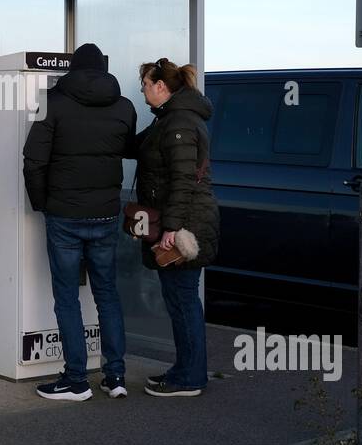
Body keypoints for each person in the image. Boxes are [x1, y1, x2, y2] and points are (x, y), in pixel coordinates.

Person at [23, 43, 137, 401]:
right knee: (107, 295)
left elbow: (33, 161)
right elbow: (126, 149)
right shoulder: (125, 106)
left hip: (65, 215)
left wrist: (42, 203)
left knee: (68, 298)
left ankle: (76, 380)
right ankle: (115, 376)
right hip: (105, 213)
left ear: (72, 70)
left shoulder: (51, 102)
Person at [132, 58, 220, 397]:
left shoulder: (179, 123)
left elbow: (184, 180)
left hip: (186, 225)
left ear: (160, 86)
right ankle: (185, 369)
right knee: (180, 299)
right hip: (184, 220)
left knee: (183, 300)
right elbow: (134, 147)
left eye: (144, 85)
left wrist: (170, 227)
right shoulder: (168, 119)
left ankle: (190, 378)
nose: (142, 91)